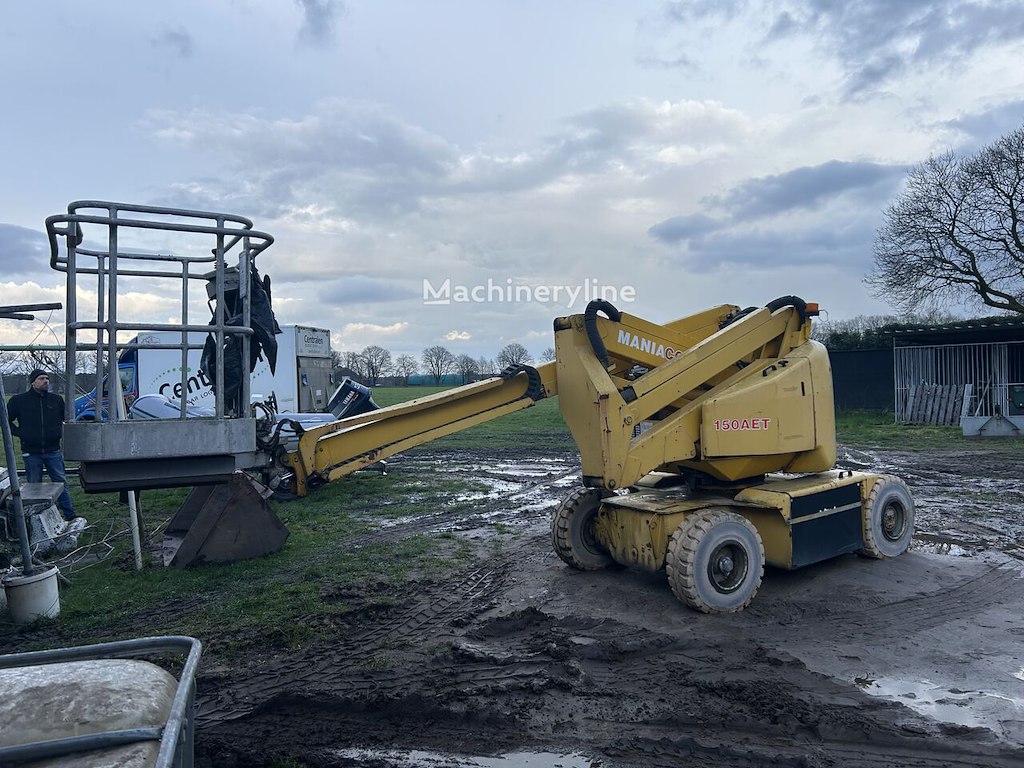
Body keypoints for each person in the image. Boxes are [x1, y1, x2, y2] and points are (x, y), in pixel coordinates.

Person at [6, 368, 77, 520]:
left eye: (47, 378)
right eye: (41, 379)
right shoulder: (18, 401)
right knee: (34, 487)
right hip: (31, 451)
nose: (46, 381)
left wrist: (59, 433)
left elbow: (66, 419)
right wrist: (21, 433)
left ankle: (70, 515)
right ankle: (36, 518)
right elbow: (6, 421)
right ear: (33, 382)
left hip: (53, 450)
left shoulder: (56, 400)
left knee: (60, 482)